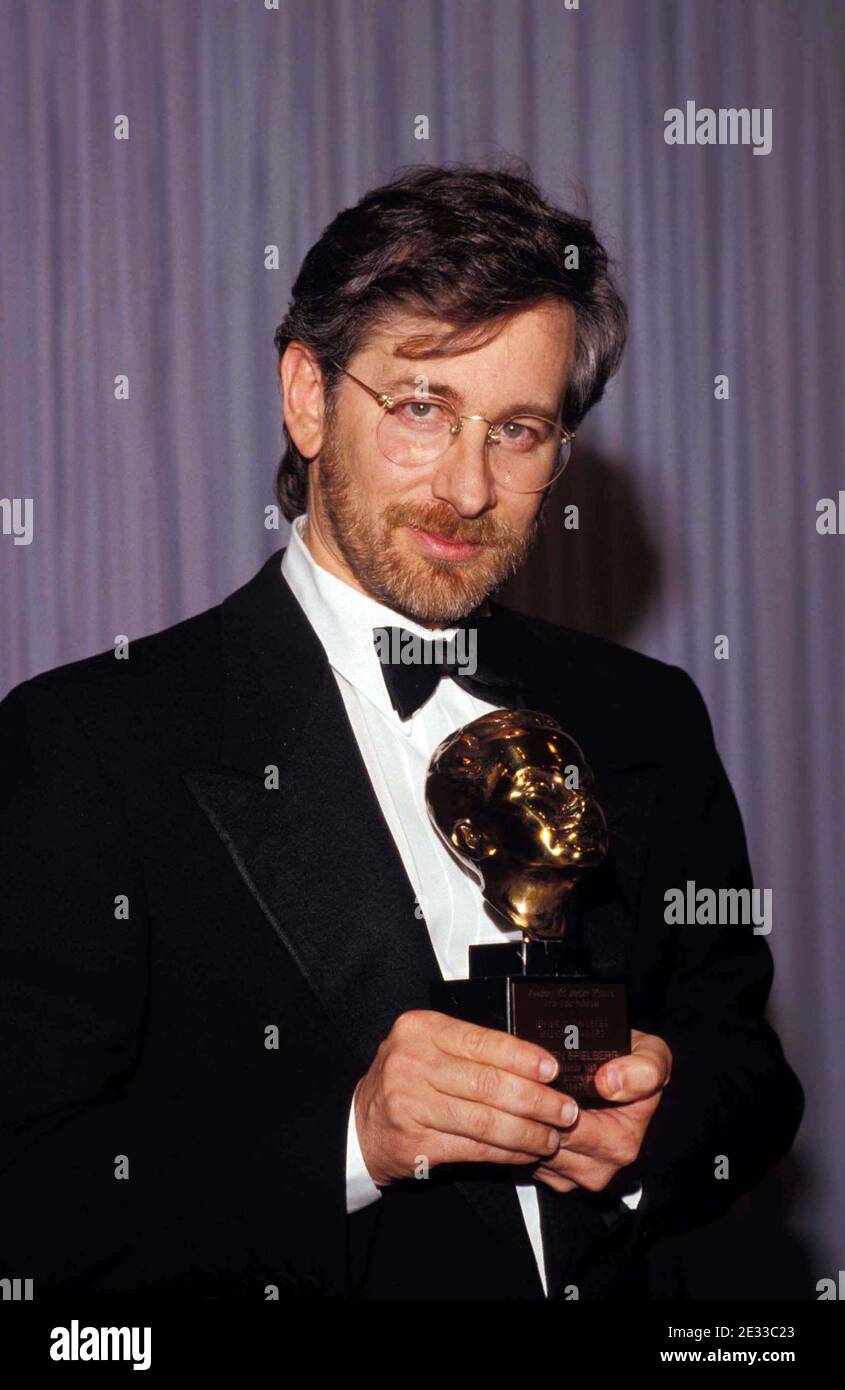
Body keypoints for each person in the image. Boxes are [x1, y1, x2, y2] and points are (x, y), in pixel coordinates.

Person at [0, 164, 803, 1299]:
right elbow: (32, 1195)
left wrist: (651, 1130)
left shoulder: (644, 713)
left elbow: (750, 1070)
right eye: (422, 407)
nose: (467, 488)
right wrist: (352, 1142)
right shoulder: (88, 742)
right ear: (308, 397)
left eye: (517, 429)